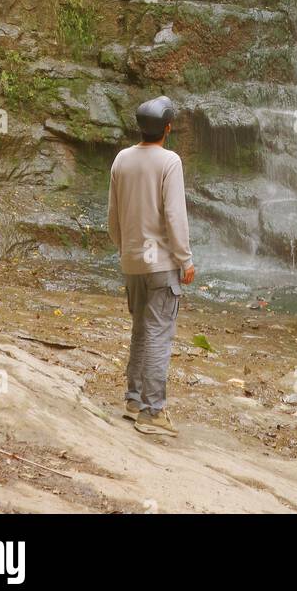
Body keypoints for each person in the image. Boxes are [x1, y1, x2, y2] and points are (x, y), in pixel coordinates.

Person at [107, 95, 195, 436]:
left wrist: (126, 251)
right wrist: (184, 259)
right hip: (160, 264)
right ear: (167, 128)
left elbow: (113, 217)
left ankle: (133, 401)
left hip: (132, 262)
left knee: (141, 331)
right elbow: (175, 215)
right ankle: (153, 412)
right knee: (159, 334)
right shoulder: (169, 161)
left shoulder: (122, 159)